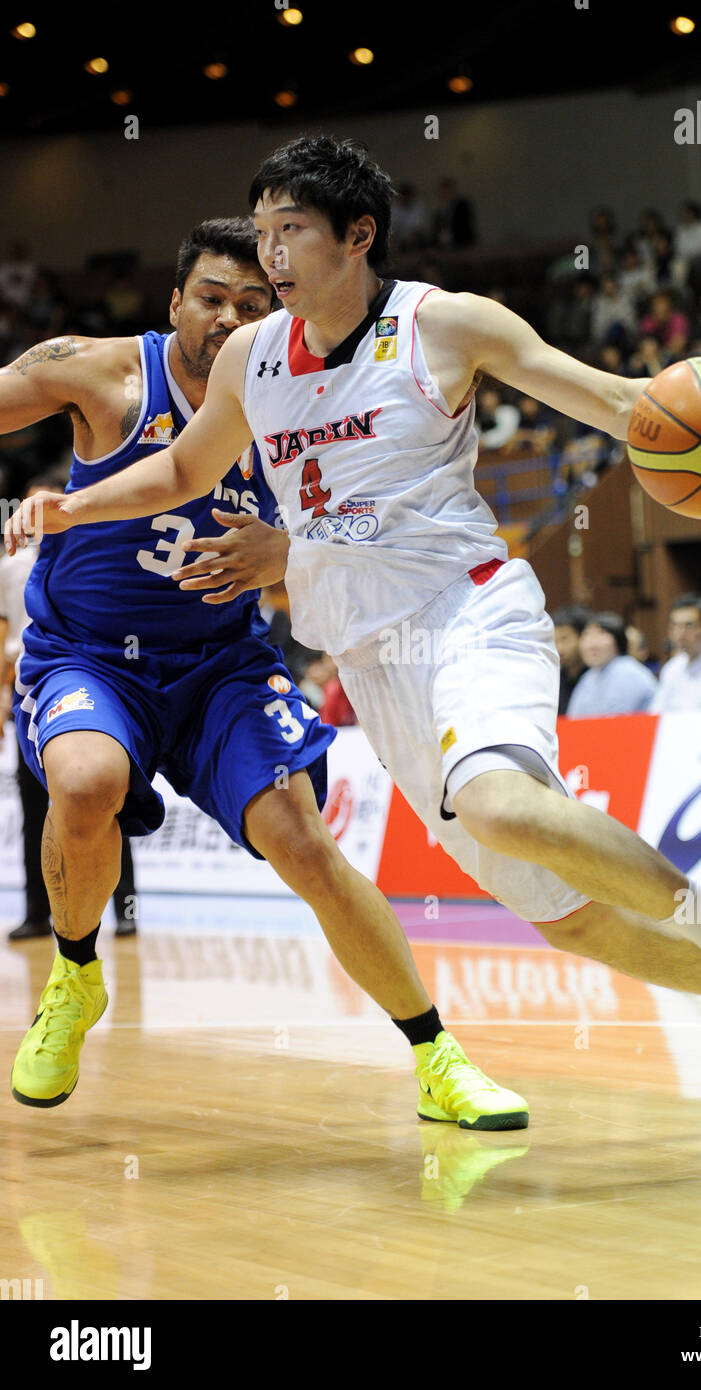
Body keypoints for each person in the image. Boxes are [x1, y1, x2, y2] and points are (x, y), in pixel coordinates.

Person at [9, 134, 701, 1138]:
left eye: (292, 232)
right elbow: (187, 471)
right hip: (373, 662)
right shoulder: (253, 356)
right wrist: (77, 504)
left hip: (466, 611)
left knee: (498, 803)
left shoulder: (441, 325)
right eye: (264, 231)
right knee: (564, 916)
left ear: (357, 235)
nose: (271, 256)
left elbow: (619, 401)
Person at [0, 216, 522, 1128]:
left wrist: (289, 554)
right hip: (89, 656)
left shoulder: (299, 397)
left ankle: (437, 1055)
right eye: (211, 298)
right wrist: (41, 507)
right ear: (175, 302)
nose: (230, 318)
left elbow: (365, 529)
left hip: (221, 665)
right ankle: (76, 977)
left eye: (253, 303)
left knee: (303, 842)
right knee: (85, 780)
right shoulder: (101, 370)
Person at [0, 474, 139, 940]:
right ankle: (38, 912)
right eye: (30, 507)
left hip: (92, 682)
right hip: (31, 689)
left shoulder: (94, 554)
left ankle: (125, 909)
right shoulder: (12, 563)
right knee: (35, 803)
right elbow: (2, 638)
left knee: (106, 798)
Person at [565, 612, 657, 716]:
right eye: (586, 634)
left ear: (618, 639)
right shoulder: (589, 676)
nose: (591, 644)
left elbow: (613, 722)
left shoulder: (628, 672)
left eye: (600, 634)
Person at [551, 604, 589, 713]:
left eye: (565, 639)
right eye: (554, 641)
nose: (559, 648)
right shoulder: (555, 678)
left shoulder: (595, 676)